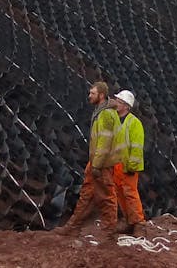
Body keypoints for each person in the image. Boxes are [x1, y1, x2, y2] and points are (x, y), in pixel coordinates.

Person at [57, 81, 121, 239]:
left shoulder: (106, 114)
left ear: (101, 95)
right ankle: (73, 226)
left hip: (102, 163)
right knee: (87, 194)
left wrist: (97, 165)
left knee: (106, 195)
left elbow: (105, 142)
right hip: (96, 162)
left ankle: (109, 230)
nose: (89, 96)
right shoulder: (100, 112)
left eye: (92, 93)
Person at [109, 89, 147, 236]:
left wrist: (132, 165)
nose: (116, 104)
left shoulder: (134, 123)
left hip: (128, 166)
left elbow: (137, 147)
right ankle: (129, 221)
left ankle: (139, 223)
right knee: (120, 194)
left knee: (130, 193)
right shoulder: (115, 120)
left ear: (126, 106)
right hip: (116, 165)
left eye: (119, 102)